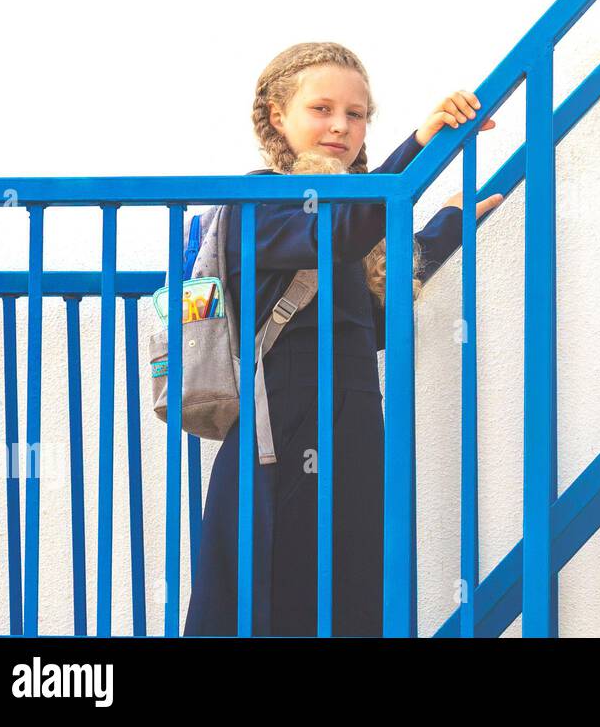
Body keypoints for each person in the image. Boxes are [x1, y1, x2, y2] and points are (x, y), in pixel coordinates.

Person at [183, 41, 503, 636]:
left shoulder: (349, 211)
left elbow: (366, 322)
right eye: (322, 109)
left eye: (356, 115)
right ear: (278, 116)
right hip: (280, 437)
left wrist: (448, 225)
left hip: (349, 432)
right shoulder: (260, 202)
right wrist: (418, 149)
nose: (341, 126)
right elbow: (336, 235)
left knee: (351, 594)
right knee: (273, 600)